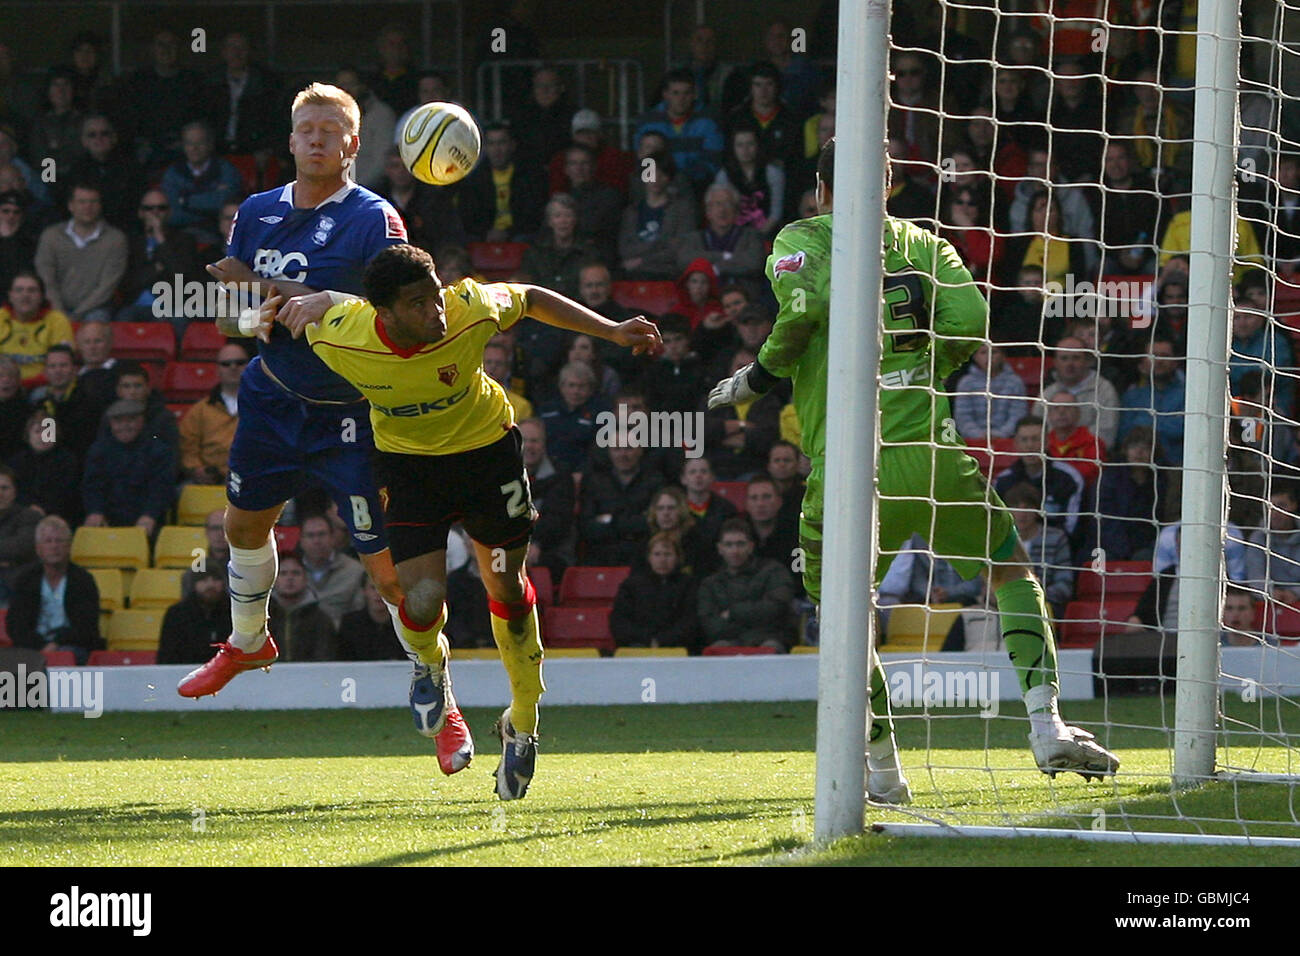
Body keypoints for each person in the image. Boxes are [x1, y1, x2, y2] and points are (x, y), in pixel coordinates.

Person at [707, 138, 1119, 801]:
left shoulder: (801, 237)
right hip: (931, 455)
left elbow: (803, 313)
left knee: (841, 611)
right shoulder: (926, 246)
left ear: (820, 186)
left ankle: (884, 771)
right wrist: (922, 371)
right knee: (1010, 569)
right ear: (891, 183)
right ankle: (1046, 724)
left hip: (847, 467)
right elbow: (973, 320)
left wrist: (755, 378)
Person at [269, 241, 660, 798]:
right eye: (420, 304)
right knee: (422, 601)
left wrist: (614, 330)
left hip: (487, 458)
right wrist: (295, 300)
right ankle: (431, 667)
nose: (437, 312)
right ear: (384, 313)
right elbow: (267, 319)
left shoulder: (469, 307)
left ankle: (523, 723)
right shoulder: (338, 333)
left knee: (504, 584)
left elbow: (528, 297)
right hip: (410, 471)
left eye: (436, 297)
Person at [176, 84, 417, 744]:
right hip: (275, 395)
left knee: (387, 568)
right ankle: (248, 641)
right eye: (305, 128)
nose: (316, 137)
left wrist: (296, 294)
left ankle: (438, 690)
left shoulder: (376, 219)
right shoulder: (254, 213)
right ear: (290, 140)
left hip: (353, 411)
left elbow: (405, 319)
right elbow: (242, 320)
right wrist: (252, 305)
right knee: (243, 526)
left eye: (329, 129)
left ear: (353, 144)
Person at [6, 515, 101, 664]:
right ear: (38, 548)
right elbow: (16, 625)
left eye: (59, 541)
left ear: (69, 546)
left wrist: (56, 644)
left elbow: (86, 627)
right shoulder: (25, 579)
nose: (54, 546)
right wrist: (41, 646)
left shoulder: (83, 580)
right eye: (48, 541)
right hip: (32, 647)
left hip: (72, 647)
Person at [33, 181, 127, 322]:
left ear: (100, 206)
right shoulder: (51, 236)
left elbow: (107, 286)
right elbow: (46, 280)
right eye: (82, 202)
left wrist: (77, 315)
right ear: (71, 206)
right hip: (54, 306)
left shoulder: (116, 239)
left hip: (96, 309)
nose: (88, 207)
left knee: (95, 330)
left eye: (93, 202)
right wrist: (59, 313)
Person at [697, 517, 796, 651]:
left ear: (751, 546)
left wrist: (733, 613)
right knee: (716, 650)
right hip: (729, 642)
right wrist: (753, 619)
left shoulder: (774, 571)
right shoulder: (710, 584)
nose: (735, 551)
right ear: (720, 548)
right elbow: (711, 626)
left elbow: (776, 609)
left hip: (770, 640)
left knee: (770, 649)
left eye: (740, 544)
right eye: (728, 545)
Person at [81, 398, 174, 535]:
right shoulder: (98, 450)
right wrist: (95, 511)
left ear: (141, 421)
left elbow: (161, 488)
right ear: (111, 423)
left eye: (130, 420)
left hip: (146, 518)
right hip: (108, 517)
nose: (124, 426)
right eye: (118, 421)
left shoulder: (158, 450)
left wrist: (150, 514)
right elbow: (92, 485)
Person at [456, 121, 548, 243]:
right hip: (483, 237)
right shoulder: (474, 179)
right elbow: (468, 217)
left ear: (512, 145)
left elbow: (533, 215)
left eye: (502, 143)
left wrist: (508, 233)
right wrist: (486, 233)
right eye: (492, 144)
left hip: (520, 236)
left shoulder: (529, 176)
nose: (497, 149)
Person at [634, 70, 724, 192]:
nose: (681, 99)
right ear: (665, 95)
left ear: (694, 95)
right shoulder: (648, 122)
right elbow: (641, 160)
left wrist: (682, 180)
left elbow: (713, 162)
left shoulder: (709, 121)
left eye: (686, 93)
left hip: (696, 187)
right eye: (675, 93)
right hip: (654, 185)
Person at [611, 532, 698, 650]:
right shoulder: (631, 585)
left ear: (677, 557)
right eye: (657, 554)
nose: (662, 560)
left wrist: (662, 641)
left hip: (677, 648)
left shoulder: (688, 585)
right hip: (638, 647)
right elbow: (620, 622)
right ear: (649, 557)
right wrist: (648, 640)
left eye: (668, 555)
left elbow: (690, 622)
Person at [617, 150, 696, 279]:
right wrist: (659, 245)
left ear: (669, 177)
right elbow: (625, 250)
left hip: (668, 273)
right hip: (633, 275)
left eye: (662, 173)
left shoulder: (682, 209)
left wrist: (642, 260)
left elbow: (679, 249)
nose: (656, 179)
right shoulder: (631, 211)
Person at [178, 343, 244, 484]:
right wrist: (197, 469)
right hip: (210, 482)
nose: (233, 367)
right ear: (217, 369)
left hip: (255, 480)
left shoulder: (264, 407)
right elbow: (188, 447)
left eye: (240, 362)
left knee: (287, 504)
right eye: (226, 364)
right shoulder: (199, 411)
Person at [674, 183, 766, 279]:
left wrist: (716, 268)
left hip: (742, 291)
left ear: (736, 211)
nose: (722, 210)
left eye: (728, 204)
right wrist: (725, 256)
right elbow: (684, 261)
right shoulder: (693, 239)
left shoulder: (751, 236)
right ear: (708, 211)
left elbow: (754, 264)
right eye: (717, 204)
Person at [27, 344, 99, 464]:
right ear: (45, 371)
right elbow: (44, 442)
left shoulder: (90, 402)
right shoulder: (39, 404)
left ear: (75, 369)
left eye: (63, 365)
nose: (58, 371)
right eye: (52, 366)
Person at [8, 410, 81, 524]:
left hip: (59, 516)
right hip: (21, 515)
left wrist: (44, 508)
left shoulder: (67, 460)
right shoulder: (16, 462)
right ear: (28, 435)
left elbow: (67, 492)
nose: (43, 436)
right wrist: (29, 507)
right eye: (37, 431)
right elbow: (14, 490)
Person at [0, 270, 72, 382]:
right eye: (19, 290)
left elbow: (62, 367)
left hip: (42, 386)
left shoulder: (57, 320)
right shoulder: (1, 317)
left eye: (32, 290)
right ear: (10, 295)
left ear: (42, 296)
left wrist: (26, 384)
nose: (25, 295)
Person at [268, 551, 340, 661]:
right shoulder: (262, 618)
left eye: (296, 573)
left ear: (306, 578)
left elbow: (325, 658)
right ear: (274, 579)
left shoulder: (321, 619)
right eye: (283, 573)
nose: (290, 578)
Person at [298, 512, 366, 627]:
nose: (316, 541)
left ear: (332, 537)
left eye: (321, 534)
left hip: (343, 637)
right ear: (301, 540)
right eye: (310, 535)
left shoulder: (355, 570)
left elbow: (360, 611)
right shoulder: (289, 571)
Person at [952, 344, 1027, 442]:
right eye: (983, 352)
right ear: (975, 357)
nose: (989, 356)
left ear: (1003, 356)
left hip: (1008, 440)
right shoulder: (966, 383)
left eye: (994, 352)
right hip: (972, 440)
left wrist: (999, 435)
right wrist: (978, 435)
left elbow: (1018, 415)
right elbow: (962, 417)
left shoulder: (1015, 382)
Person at [157, 567, 233, 665]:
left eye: (215, 579)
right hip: (183, 673)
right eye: (204, 580)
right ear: (193, 584)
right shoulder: (176, 614)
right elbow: (167, 654)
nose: (210, 585)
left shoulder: (233, 612)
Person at [338, 577, 407, 660]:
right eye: (373, 588)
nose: (378, 593)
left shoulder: (404, 624)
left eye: (384, 589)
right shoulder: (350, 624)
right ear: (364, 591)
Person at [0, 464, 39, 602]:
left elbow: (20, 548)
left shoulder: (30, 516)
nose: (0, 493)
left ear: (15, 492)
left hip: (15, 582)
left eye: (5, 488)